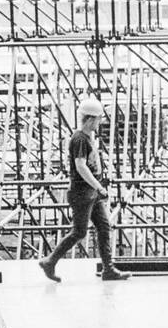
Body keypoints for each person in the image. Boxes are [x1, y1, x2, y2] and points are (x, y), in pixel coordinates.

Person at [38, 96, 130, 282]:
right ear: (89, 119)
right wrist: (99, 186)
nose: (100, 122)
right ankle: (50, 261)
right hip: (82, 193)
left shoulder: (87, 137)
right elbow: (80, 166)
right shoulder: (80, 139)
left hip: (91, 193)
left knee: (104, 228)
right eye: (97, 119)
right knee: (79, 231)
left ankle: (108, 269)